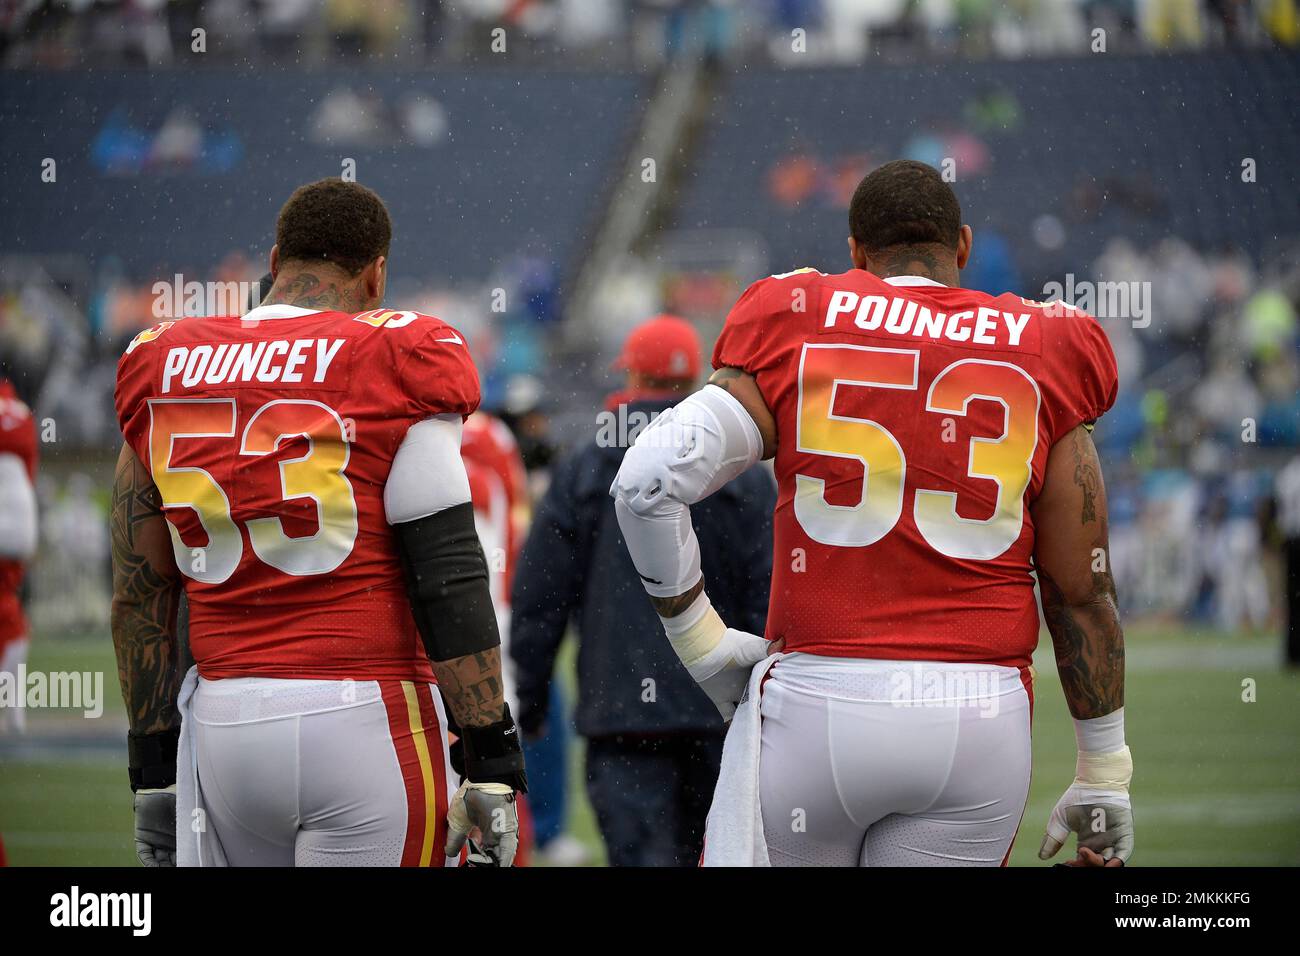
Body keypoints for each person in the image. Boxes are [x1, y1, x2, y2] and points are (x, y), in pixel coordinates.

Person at [612, 160, 1133, 867]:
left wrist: (702, 643)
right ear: (965, 248)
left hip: (818, 706)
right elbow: (1082, 589)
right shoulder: (1047, 346)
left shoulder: (799, 317)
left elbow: (645, 480)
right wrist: (1104, 768)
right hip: (976, 719)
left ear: (856, 253)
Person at [110, 178, 526, 867]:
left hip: (221, 724)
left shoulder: (163, 359)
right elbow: (446, 572)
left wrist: (152, 767)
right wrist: (491, 753)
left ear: (275, 260)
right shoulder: (400, 353)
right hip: (366, 715)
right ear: (376, 274)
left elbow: (139, 584)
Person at [511, 314, 775, 866]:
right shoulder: (746, 473)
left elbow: (541, 596)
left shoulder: (586, 464)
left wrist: (531, 698)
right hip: (720, 709)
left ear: (630, 372)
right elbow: (767, 597)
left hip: (623, 714)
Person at [0, 376, 39, 740]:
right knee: (9, 606)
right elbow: (30, 468)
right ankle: (13, 711)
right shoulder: (22, 413)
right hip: (20, 516)